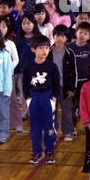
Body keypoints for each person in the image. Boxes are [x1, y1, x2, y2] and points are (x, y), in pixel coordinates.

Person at [22, 35, 60, 165]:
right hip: (34, 97)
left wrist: (54, 97)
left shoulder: (52, 66)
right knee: (35, 128)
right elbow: (24, 84)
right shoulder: (28, 67)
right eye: (41, 48)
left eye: (47, 48)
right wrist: (28, 98)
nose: (44, 51)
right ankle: (36, 151)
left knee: (49, 126)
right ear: (33, 49)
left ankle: (50, 151)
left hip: (48, 97)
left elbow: (56, 83)